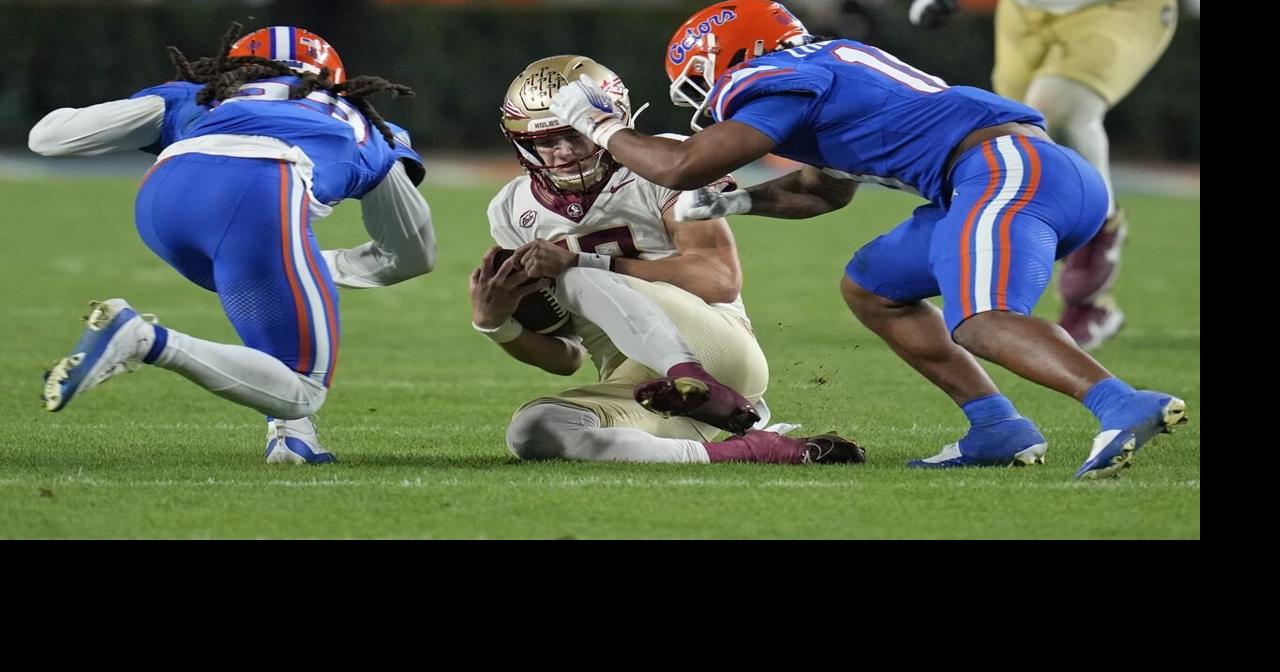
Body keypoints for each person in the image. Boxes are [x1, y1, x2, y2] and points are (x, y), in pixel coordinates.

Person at [547, 0, 1185, 478]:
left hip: (1005, 174)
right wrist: (741, 201)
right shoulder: (828, 66)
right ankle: (996, 426)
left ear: (734, 56)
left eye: (701, 79)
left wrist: (599, 127)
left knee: (983, 320)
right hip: (1011, 176)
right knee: (874, 286)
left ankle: (1121, 403)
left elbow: (683, 165)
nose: (707, 98)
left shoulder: (773, 74)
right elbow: (825, 190)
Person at [29, 24, 437, 464]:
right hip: (261, 188)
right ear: (336, 80)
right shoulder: (366, 125)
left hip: (161, 201)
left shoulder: (199, 96)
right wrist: (323, 265)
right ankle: (142, 338)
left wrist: (173, 102)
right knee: (304, 387)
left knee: (270, 296)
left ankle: (293, 440)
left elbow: (48, 138)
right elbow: (412, 253)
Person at [473, 55, 865, 465]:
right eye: (547, 141)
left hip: (715, 350)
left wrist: (584, 263)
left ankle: (690, 377)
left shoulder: (662, 163)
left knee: (574, 271)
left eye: (575, 134)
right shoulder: (511, 209)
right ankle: (748, 450)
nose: (564, 152)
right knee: (535, 430)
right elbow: (568, 358)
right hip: (643, 387)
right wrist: (496, 324)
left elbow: (719, 279)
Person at [909, 0, 1180, 348]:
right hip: (1024, 10)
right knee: (1018, 130)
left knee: (1056, 112)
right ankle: (1087, 301)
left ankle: (1099, 230)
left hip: (1114, 9)